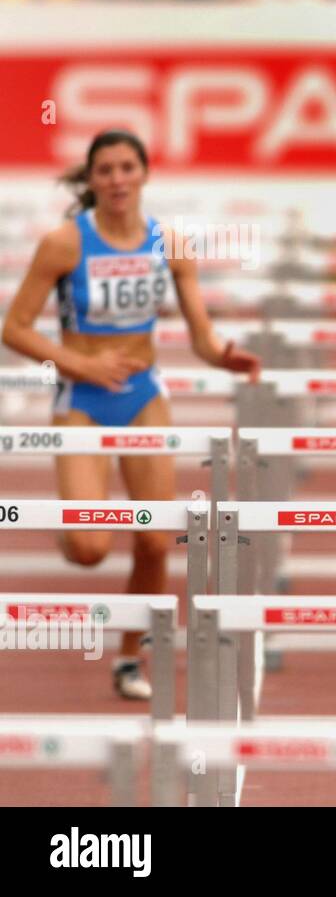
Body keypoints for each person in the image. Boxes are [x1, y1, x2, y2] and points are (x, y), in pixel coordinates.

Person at [0, 129, 260, 700]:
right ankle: (73, 528)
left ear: (144, 173)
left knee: (152, 541)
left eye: (126, 167)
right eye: (105, 170)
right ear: (91, 181)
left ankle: (127, 657)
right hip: (84, 402)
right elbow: (13, 327)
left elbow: (199, 335)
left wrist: (222, 355)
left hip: (143, 397)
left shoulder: (170, 244)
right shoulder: (66, 243)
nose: (117, 179)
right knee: (92, 550)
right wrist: (78, 365)